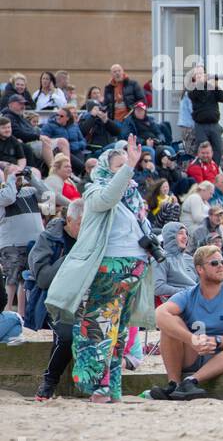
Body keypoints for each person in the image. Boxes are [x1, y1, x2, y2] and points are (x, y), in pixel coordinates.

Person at [44, 136, 157, 403]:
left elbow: (143, 228)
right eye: (120, 166)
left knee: (118, 333)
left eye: (128, 165)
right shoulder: (95, 190)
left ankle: (112, 389)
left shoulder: (133, 197)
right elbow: (107, 198)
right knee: (99, 329)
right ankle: (100, 388)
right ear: (107, 169)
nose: (127, 169)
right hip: (109, 267)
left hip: (134, 267)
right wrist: (129, 167)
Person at [153, 245, 223, 400]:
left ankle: (191, 381)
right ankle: (174, 384)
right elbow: (159, 314)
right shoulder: (188, 295)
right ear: (200, 269)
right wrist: (192, 339)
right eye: (214, 263)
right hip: (195, 352)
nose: (221, 266)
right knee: (169, 325)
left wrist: (216, 341)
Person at [30, 199, 83, 401]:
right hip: (53, 300)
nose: (86, 229)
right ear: (69, 220)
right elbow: (43, 279)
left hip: (84, 300)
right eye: (81, 224)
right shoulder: (49, 239)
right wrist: (71, 257)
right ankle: (49, 382)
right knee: (67, 335)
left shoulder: (91, 238)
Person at [0, 162, 51, 315]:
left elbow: (49, 198)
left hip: (33, 243)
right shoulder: (3, 193)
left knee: (26, 280)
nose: (19, 175)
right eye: (14, 172)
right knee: (12, 278)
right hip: (11, 243)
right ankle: (7, 312)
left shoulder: (30, 191)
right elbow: (8, 199)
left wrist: (32, 178)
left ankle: (22, 314)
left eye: (20, 172)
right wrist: (10, 181)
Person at [185, 66, 223, 165]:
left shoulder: (211, 87)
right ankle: (203, 168)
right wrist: (201, 83)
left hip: (214, 124)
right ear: (193, 77)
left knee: (218, 149)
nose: (200, 76)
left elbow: (222, 98)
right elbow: (201, 96)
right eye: (198, 74)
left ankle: (214, 169)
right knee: (203, 150)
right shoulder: (192, 89)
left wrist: (216, 85)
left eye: (202, 73)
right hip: (201, 125)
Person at [153, 221, 197, 299]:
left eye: (186, 233)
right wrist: (186, 292)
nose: (185, 237)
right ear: (170, 236)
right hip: (177, 303)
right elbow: (158, 288)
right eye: (180, 233)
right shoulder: (161, 259)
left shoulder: (189, 259)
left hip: (197, 300)